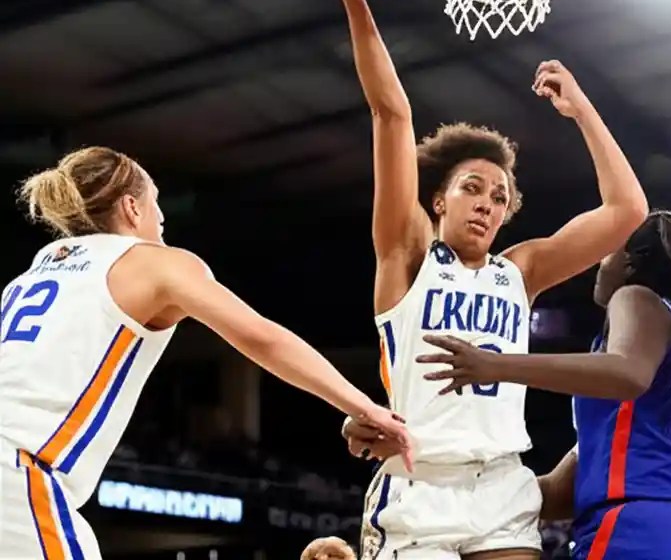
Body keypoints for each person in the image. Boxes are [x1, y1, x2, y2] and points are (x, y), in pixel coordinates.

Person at [322, 0, 649, 560]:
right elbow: (391, 113)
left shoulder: (518, 271)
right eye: (473, 187)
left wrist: (581, 109)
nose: (488, 203)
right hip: (421, 480)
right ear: (438, 197)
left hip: (502, 482)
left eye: (500, 196)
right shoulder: (407, 253)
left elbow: (627, 209)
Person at [0, 146, 411, 559]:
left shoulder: (33, 273)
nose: (161, 217)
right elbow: (262, 338)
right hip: (18, 469)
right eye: (155, 201)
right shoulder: (154, 263)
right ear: (131, 208)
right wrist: (366, 407)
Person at [346, 210, 671, 559]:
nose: (598, 265)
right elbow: (553, 493)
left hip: (637, 531)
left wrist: (495, 365)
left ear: (628, 262)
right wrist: (434, 460)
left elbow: (626, 373)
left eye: (607, 253)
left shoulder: (636, 299)